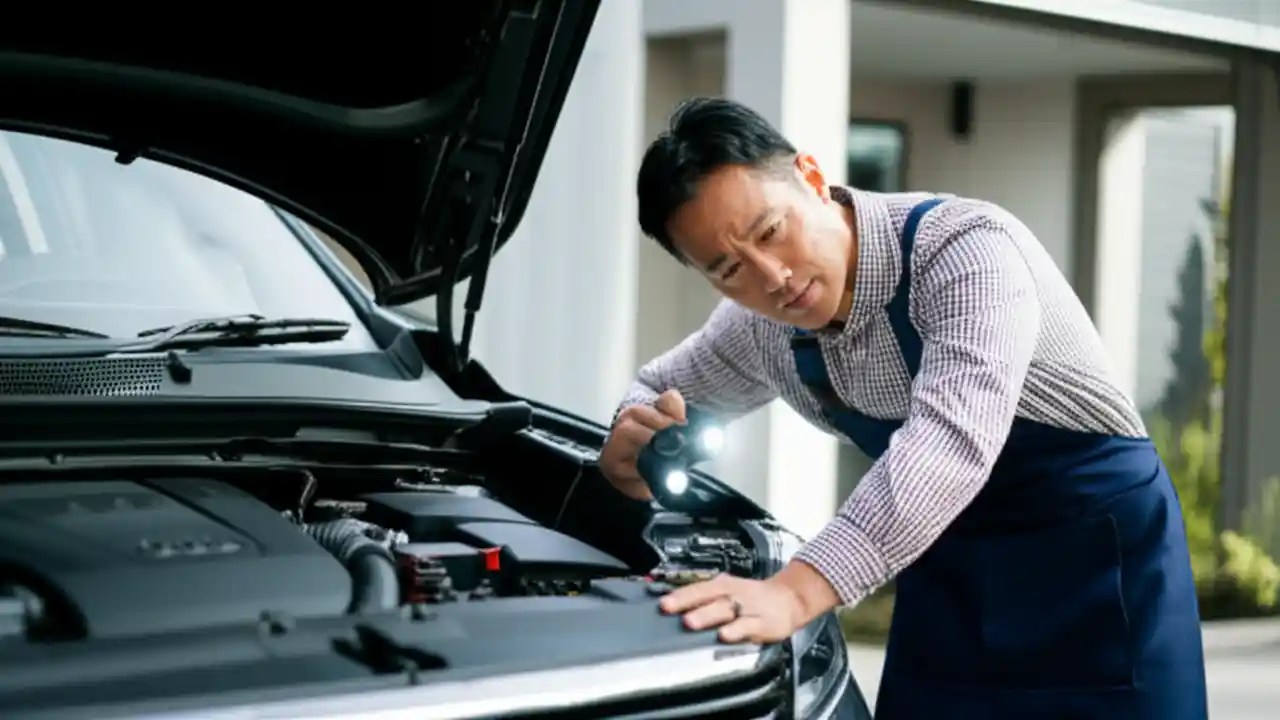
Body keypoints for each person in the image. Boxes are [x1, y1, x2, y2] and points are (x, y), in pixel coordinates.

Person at [598, 96, 1208, 719]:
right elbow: (656, 387)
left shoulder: (968, 251)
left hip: (1098, 569)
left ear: (811, 177)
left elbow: (947, 448)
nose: (772, 277)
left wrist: (795, 593)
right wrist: (633, 443)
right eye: (729, 269)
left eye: (771, 232)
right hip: (951, 579)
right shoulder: (760, 328)